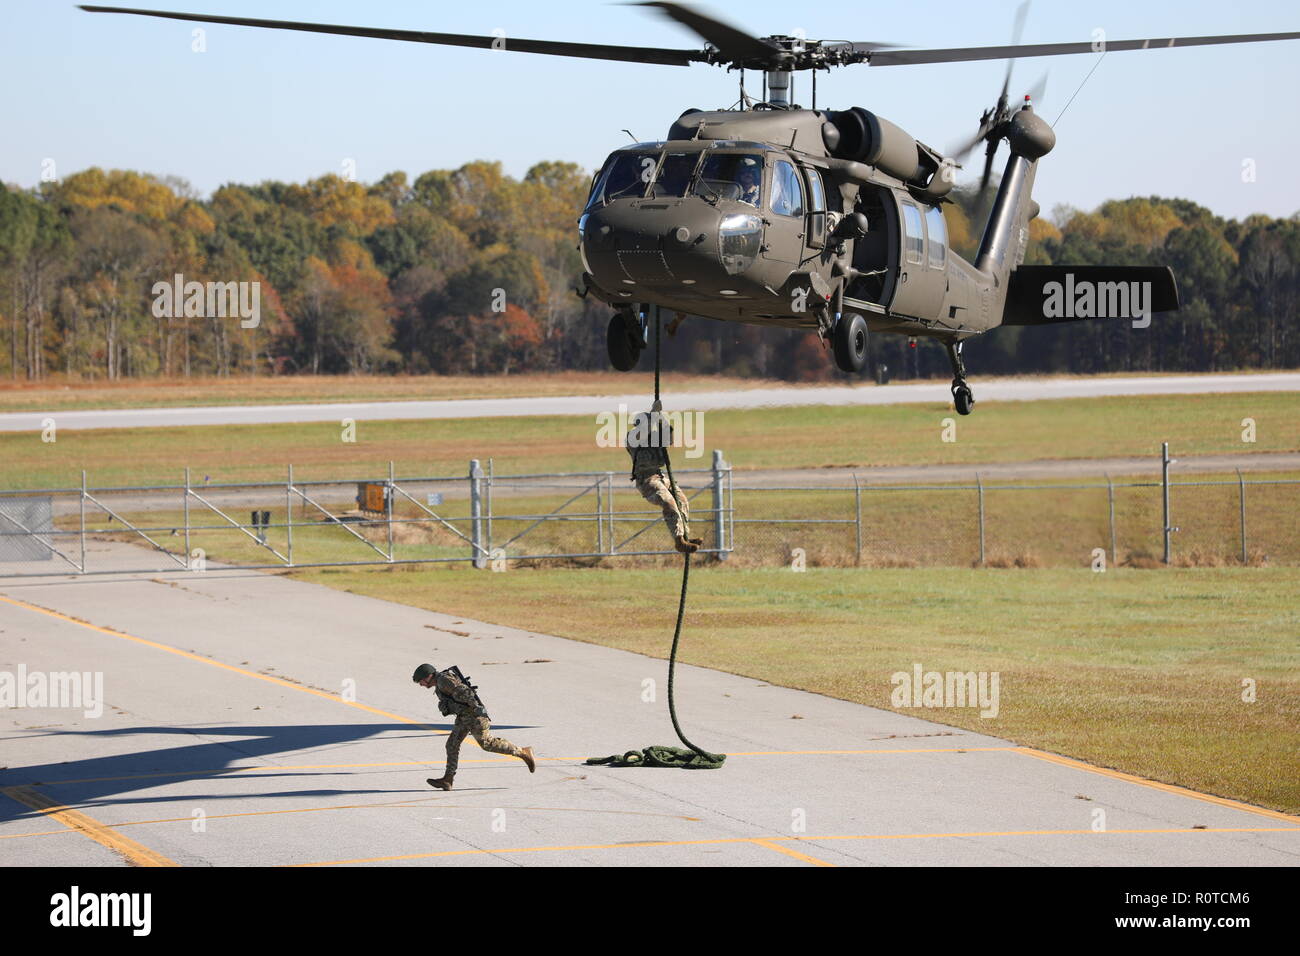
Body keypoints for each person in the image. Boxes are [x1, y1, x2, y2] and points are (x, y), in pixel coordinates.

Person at [412, 662, 535, 790]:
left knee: (487, 744)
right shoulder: (439, 684)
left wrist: (476, 709)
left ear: (428, 677)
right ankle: (448, 780)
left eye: (421, 681)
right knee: (452, 744)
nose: (421, 685)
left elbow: (465, 692)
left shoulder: (444, 681)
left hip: (474, 716)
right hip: (463, 717)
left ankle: (523, 752)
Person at [627, 401, 703, 554]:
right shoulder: (632, 438)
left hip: (661, 476)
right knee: (669, 504)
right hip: (647, 481)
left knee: (682, 501)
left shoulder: (655, 438)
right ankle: (678, 541)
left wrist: (660, 418)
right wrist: (654, 416)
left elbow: (669, 436)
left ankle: (684, 535)